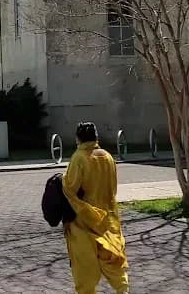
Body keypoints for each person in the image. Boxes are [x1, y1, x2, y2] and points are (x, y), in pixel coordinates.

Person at [63, 122, 129, 294]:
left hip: (84, 221)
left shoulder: (79, 157)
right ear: (96, 137)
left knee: (85, 266)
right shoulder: (108, 157)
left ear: (78, 138)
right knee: (113, 259)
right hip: (108, 219)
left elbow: (70, 188)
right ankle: (123, 290)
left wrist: (61, 179)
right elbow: (112, 188)